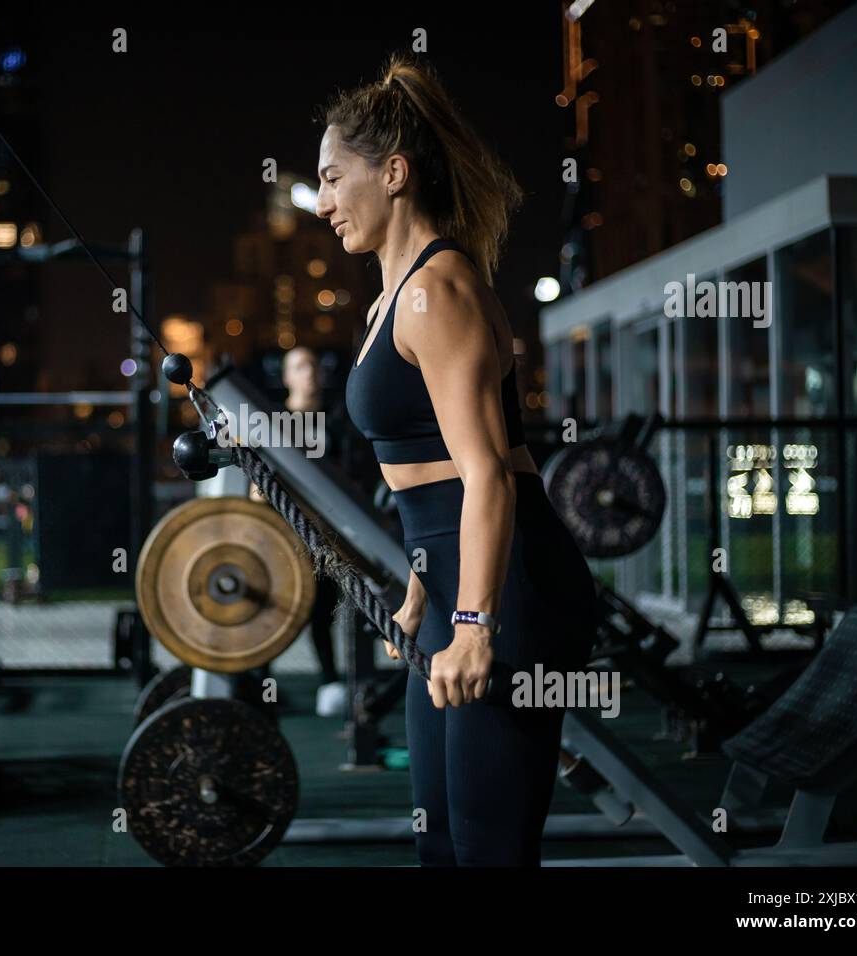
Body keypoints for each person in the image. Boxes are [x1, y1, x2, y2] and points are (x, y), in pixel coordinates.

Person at [315, 54, 597, 866]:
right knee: (438, 841)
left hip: (507, 592)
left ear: (394, 173)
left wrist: (475, 624)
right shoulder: (387, 298)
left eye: (336, 179)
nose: (325, 202)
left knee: (489, 851)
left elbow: (488, 474)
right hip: (450, 581)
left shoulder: (436, 293)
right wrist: (419, 583)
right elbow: (430, 469)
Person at [251, 346, 350, 716]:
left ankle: (331, 684)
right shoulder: (276, 425)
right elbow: (259, 492)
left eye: (313, 364)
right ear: (287, 377)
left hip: (325, 542)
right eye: (299, 366)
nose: (309, 372)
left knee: (322, 616)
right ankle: (261, 687)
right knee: (272, 614)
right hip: (283, 541)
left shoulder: (337, 426)